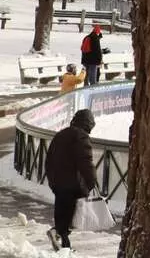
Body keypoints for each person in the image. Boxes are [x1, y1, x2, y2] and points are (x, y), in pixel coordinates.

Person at [45, 108, 97, 252]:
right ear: (88, 124)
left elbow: (48, 159)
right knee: (70, 213)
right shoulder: (81, 137)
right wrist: (91, 182)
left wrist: (51, 179)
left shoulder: (61, 134)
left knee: (63, 211)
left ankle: (62, 242)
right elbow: (86, 162)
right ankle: (61, 240)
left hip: (57, 181)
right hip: (71, 183)